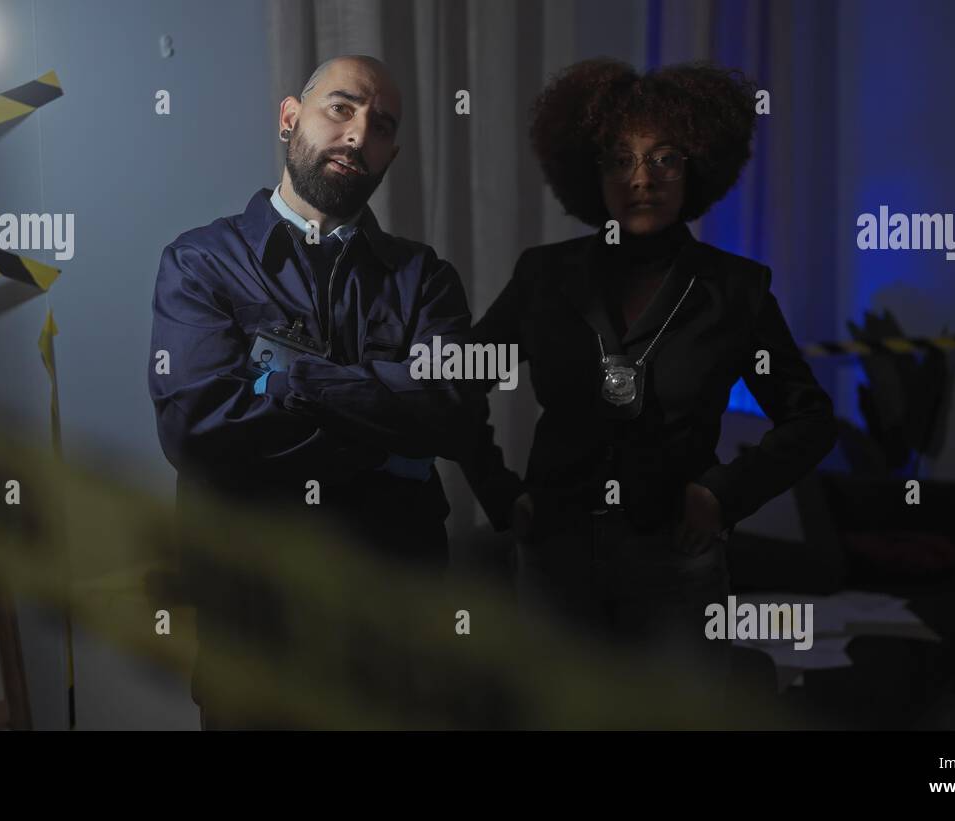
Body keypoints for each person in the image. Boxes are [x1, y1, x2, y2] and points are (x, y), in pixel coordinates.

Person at [462, 59, 838, 720]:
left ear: (696, 166)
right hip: (555, 556)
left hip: (677, 562)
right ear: (588, 169)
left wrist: (722, 494)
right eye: (619, 158)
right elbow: (457, 381)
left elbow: (809, 418)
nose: (642, 178)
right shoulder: (544, 275)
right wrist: (499, 492)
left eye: (664, 157)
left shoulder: (736, 289)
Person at [148, 55, 479, 728]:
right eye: (342, 108)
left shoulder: (426, 277)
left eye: (380, 125)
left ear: (392, 151)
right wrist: (388, 440)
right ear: (289, 117)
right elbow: (199, 431)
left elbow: (453, 412)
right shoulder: (200, 262)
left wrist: (286, 380)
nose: (359, 134)